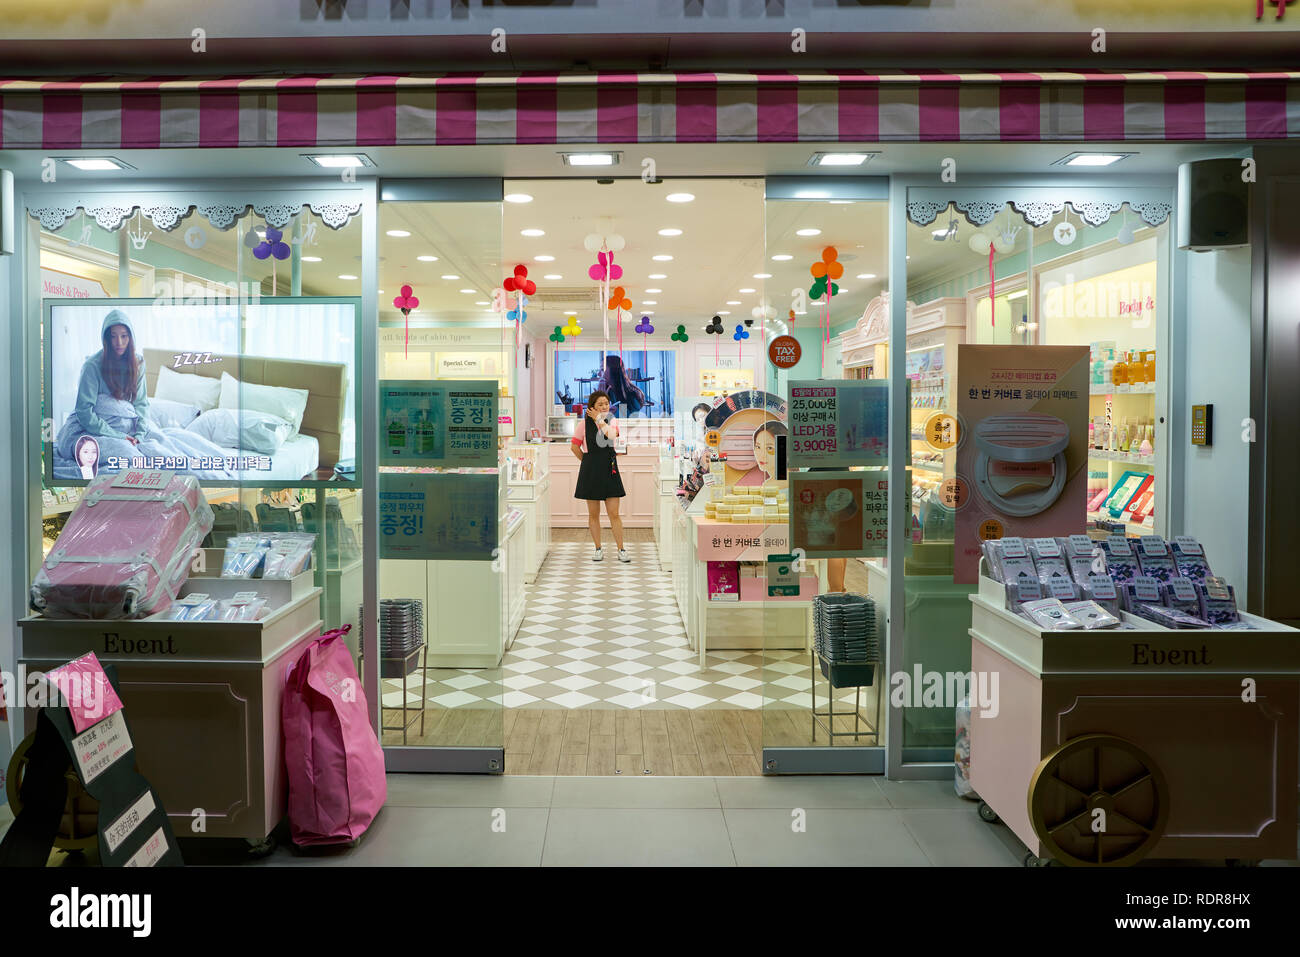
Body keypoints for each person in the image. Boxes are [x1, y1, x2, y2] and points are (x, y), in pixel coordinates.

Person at [572, 390, 629, 562]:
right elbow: (574, 447)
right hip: (591, 471)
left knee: (614, 513)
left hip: (609, 469)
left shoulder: (612, 421)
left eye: (606, 403)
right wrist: (587, 463)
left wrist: (599, 419)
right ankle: (598, 548)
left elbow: (611, 435)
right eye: (600, 404)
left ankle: (621, 549)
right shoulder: (582, 425)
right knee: (593, 514)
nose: (604, 406)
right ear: (592, 407)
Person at [736, 420, 787, 486]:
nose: (762, 455)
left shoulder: (771, 485)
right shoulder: (788, 476)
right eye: (758, 447)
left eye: (769, 448)